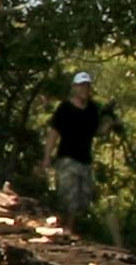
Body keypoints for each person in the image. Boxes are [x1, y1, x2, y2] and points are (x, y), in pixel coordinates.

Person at [43, 72, 108, 226]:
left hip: (85, 160)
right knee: (68, 198)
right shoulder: (65, 108)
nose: (84, 89)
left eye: (87, 86)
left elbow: (95, 131)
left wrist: (108, 126)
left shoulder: (92, 108)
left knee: (83, 199)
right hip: (67, 159)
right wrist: (47, 156)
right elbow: (54, 133)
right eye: (81, 86)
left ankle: (70, 230)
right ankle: (63, 229)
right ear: (74, 88)